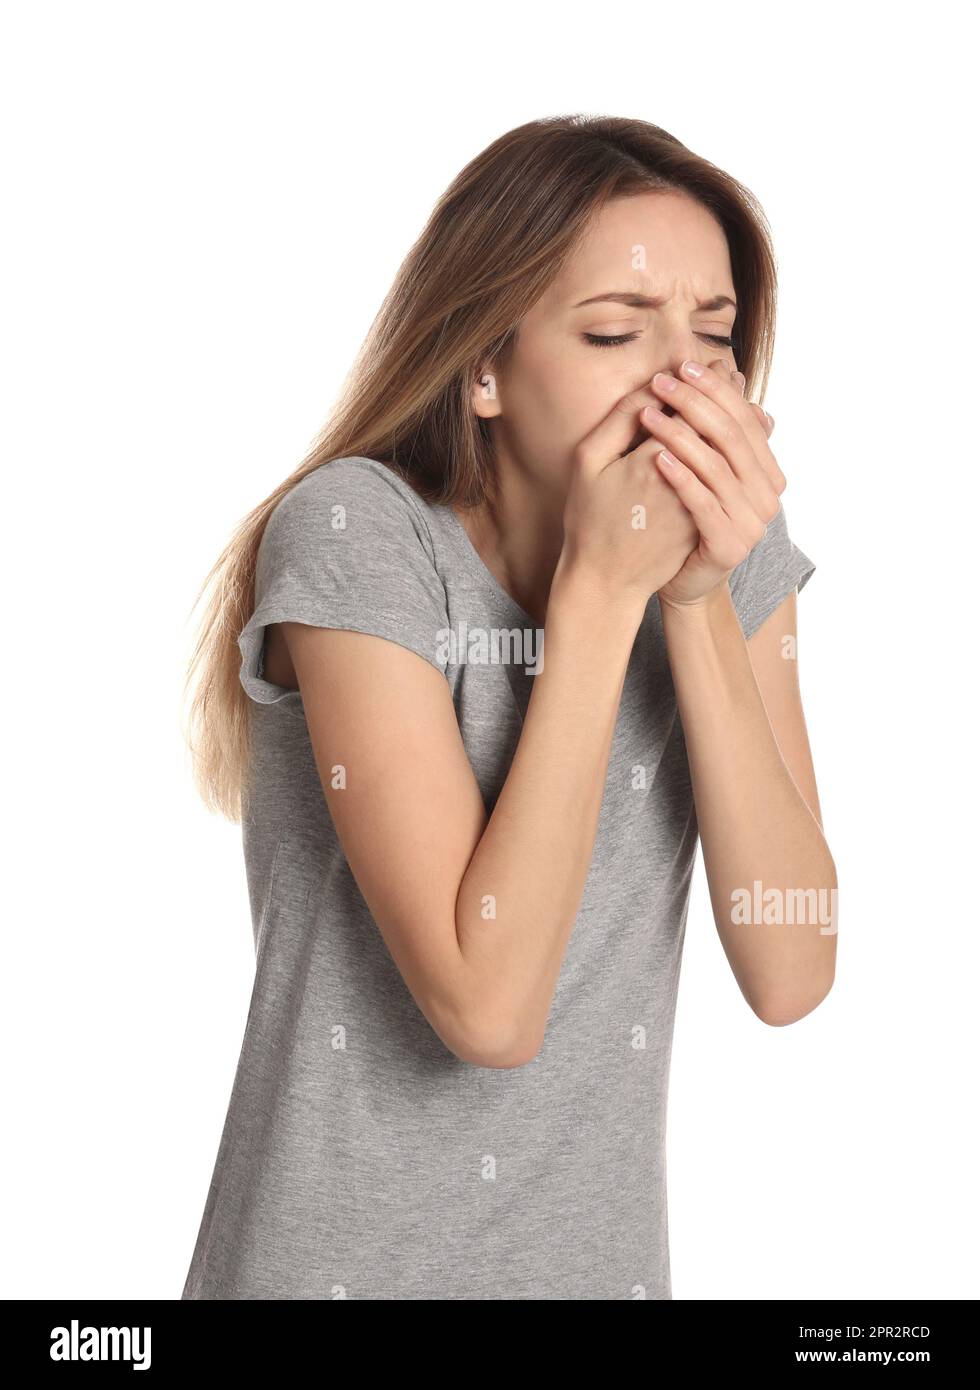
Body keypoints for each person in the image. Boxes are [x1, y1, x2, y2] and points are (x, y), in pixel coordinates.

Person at [180, 114, 837, 1301]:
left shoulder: (730, 555)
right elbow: (484, 1006)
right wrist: (599, 595)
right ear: (483, 366)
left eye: (715, 336)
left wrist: (691, 604)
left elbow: (790, 964)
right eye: (611, 331)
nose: (680, 383)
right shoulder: (358, 534)